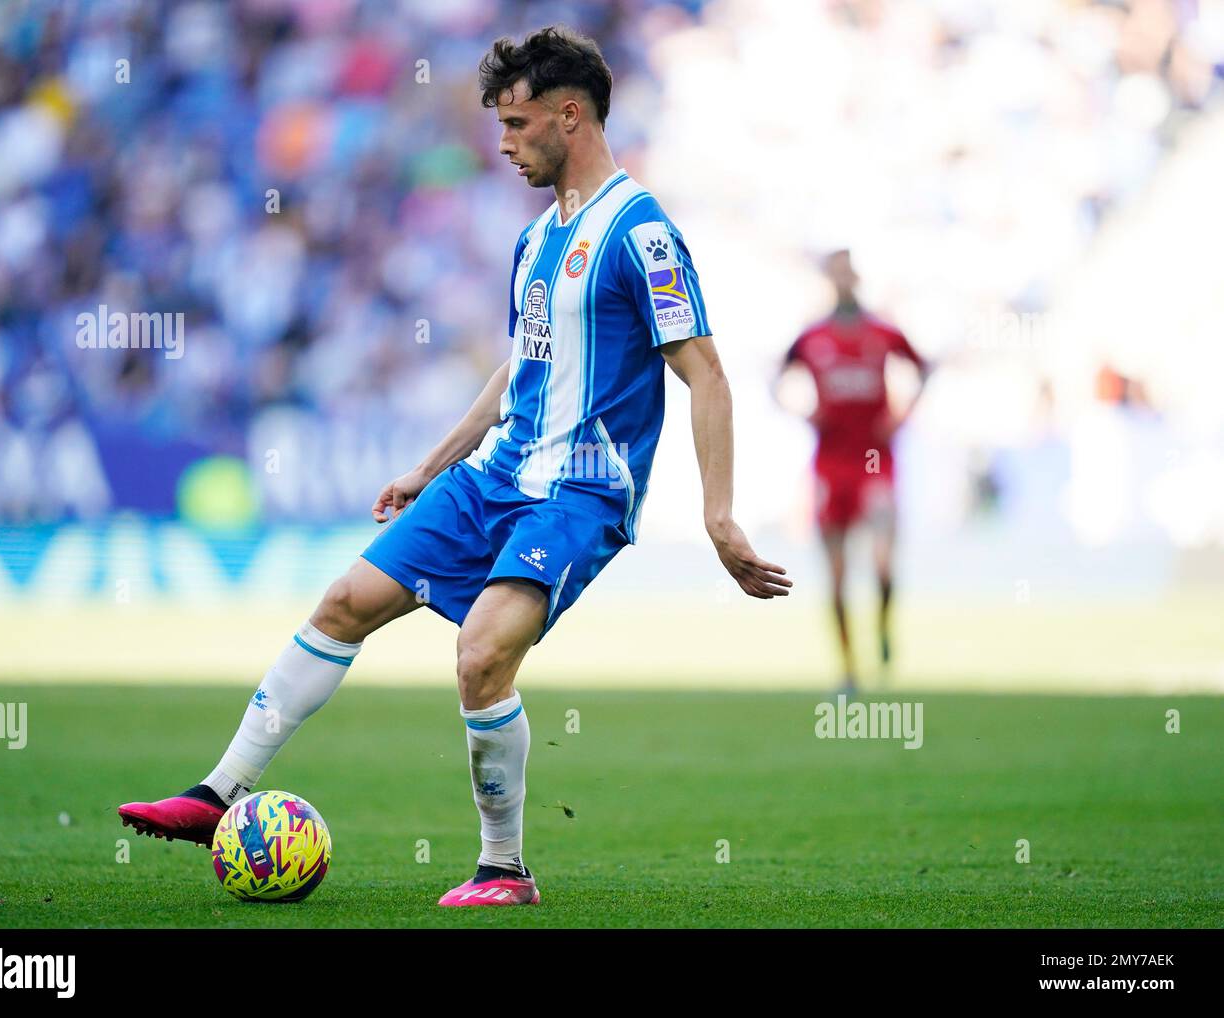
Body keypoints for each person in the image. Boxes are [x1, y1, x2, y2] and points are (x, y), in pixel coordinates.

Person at [119, 25, 791, 907]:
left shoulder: (642, 233)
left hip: (580, 494)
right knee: (344, 603)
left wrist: (718, 515)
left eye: (516, 125)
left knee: (481, 656)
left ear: (571, 115)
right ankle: (217, 795)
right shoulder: (538, 239)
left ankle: (504, 868)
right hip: (493, 478)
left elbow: (702, 368)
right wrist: (430, 467)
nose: (504, 144)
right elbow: (520, 369)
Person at [778, 249, 927, 693]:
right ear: (829, 280)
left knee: (882, 566)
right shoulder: (813, 337)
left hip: (876, 463)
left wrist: (902, 416)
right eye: (836, 273)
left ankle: (882, 629)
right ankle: (848, 669)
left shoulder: (883, 333)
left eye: (848, 272)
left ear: (857, 278)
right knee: (838, 576)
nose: (843, 281)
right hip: (831, 466)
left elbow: (923, 369)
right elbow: (778, 379)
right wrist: (803, 413)